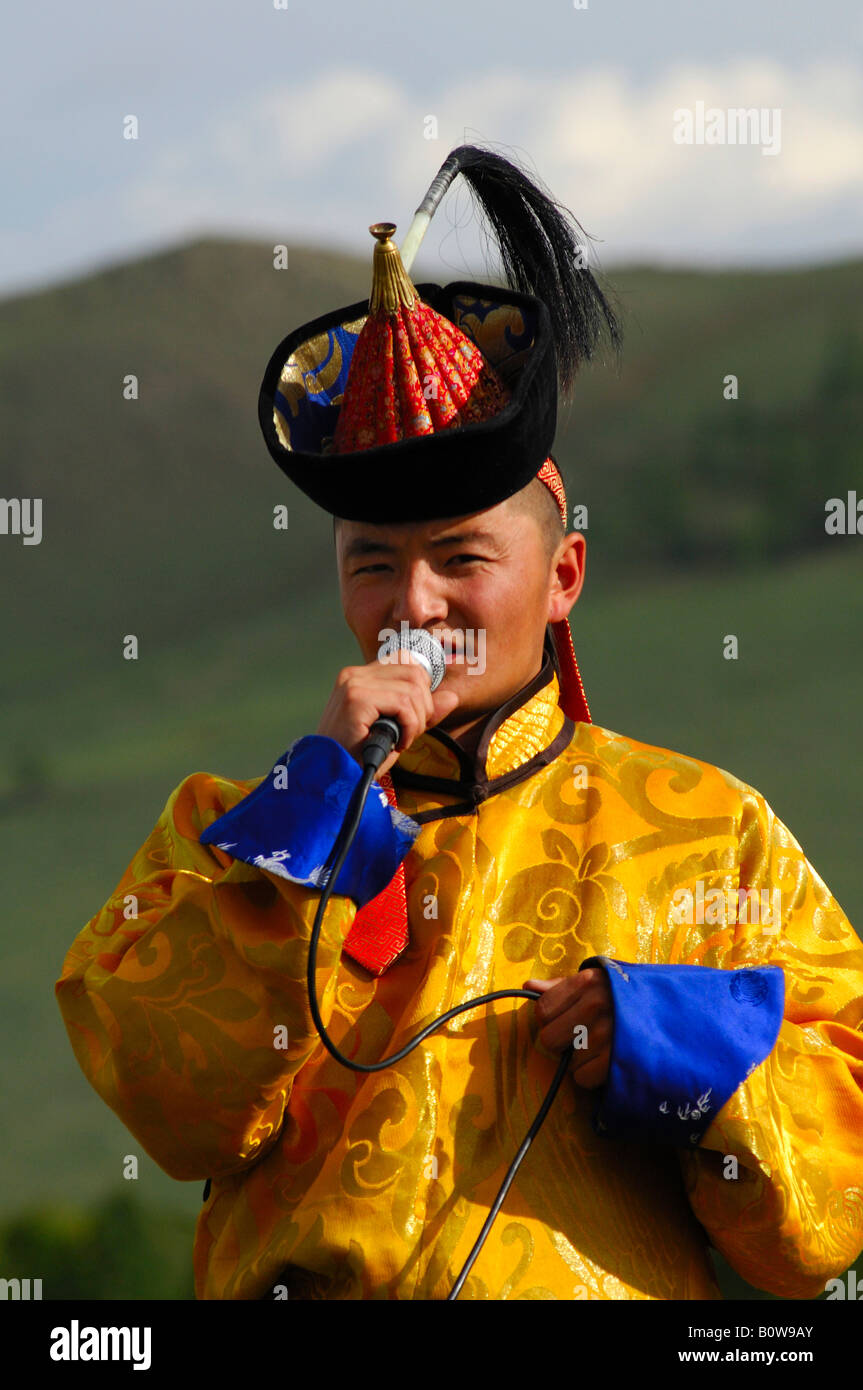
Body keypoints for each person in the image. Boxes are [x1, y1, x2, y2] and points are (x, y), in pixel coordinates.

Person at [56, 147, 863, 1301]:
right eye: (372, 563)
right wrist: (303, 833)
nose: (412, 605)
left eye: (461, 559)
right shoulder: (226, 830)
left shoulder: (711, 835)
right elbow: (173, 1108)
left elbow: (824, 1214)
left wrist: (678, 1048)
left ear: (563, 575)